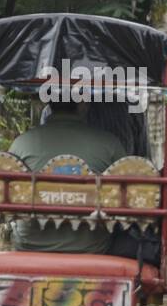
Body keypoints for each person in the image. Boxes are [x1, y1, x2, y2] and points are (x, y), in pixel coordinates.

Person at [8, 101, 127, 254]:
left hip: (30, 244)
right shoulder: (109, 143)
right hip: (92, 247)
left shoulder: (22, 143)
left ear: (49, 103)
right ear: (83, 104)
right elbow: (128, 195)